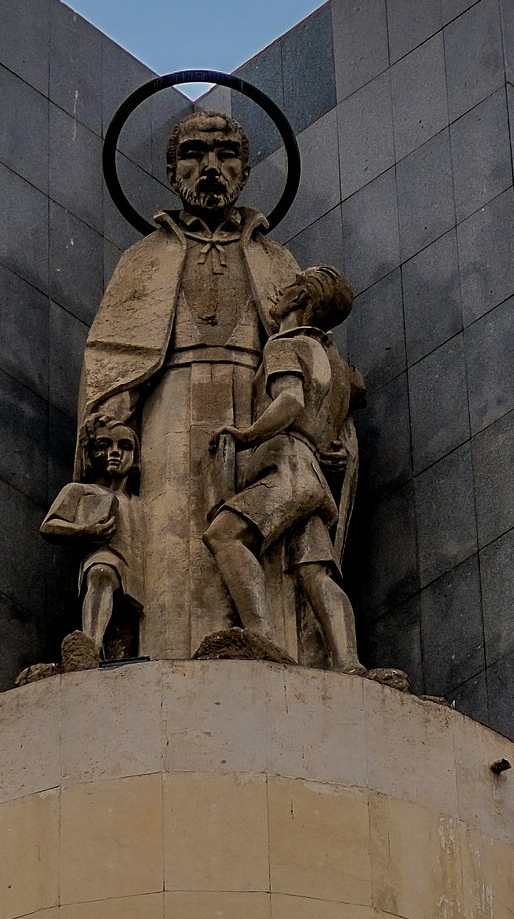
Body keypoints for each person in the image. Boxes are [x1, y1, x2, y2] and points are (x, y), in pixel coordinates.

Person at [70, 107, 302, 656]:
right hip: (167, 405)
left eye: (225, 154)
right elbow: (118, 352)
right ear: (174, 171)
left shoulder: (275, 256)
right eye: (194, 154)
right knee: (166, 535)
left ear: (244, 169)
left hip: (257, 402)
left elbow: (307, 347)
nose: (210, 167)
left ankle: (266, 644)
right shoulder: (145, 257)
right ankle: (155, 648)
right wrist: (112, 413)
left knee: (252, 531)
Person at [202, 265, 363, 671]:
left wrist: (246, 434)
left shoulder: (282, 346)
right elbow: (336, 432)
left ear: (299, 300)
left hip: (287, 468)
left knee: (223, 535)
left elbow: (289, 402)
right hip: (315, 481)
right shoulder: (338, 367)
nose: (279, 293)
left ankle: (262, 636)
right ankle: (348, 661)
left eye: (288, 287)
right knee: (315, 573)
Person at [37, 415, 137, 669]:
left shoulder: (140, 504)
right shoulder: (80, 490)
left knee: (125, 628)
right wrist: (85, 531)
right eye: (105, 446)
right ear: (92, 453)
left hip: (137, 566)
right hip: (104, 553)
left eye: (125, 447)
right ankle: (90, 646)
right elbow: (49, 525)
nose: (115, 453)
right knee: (101, 573)